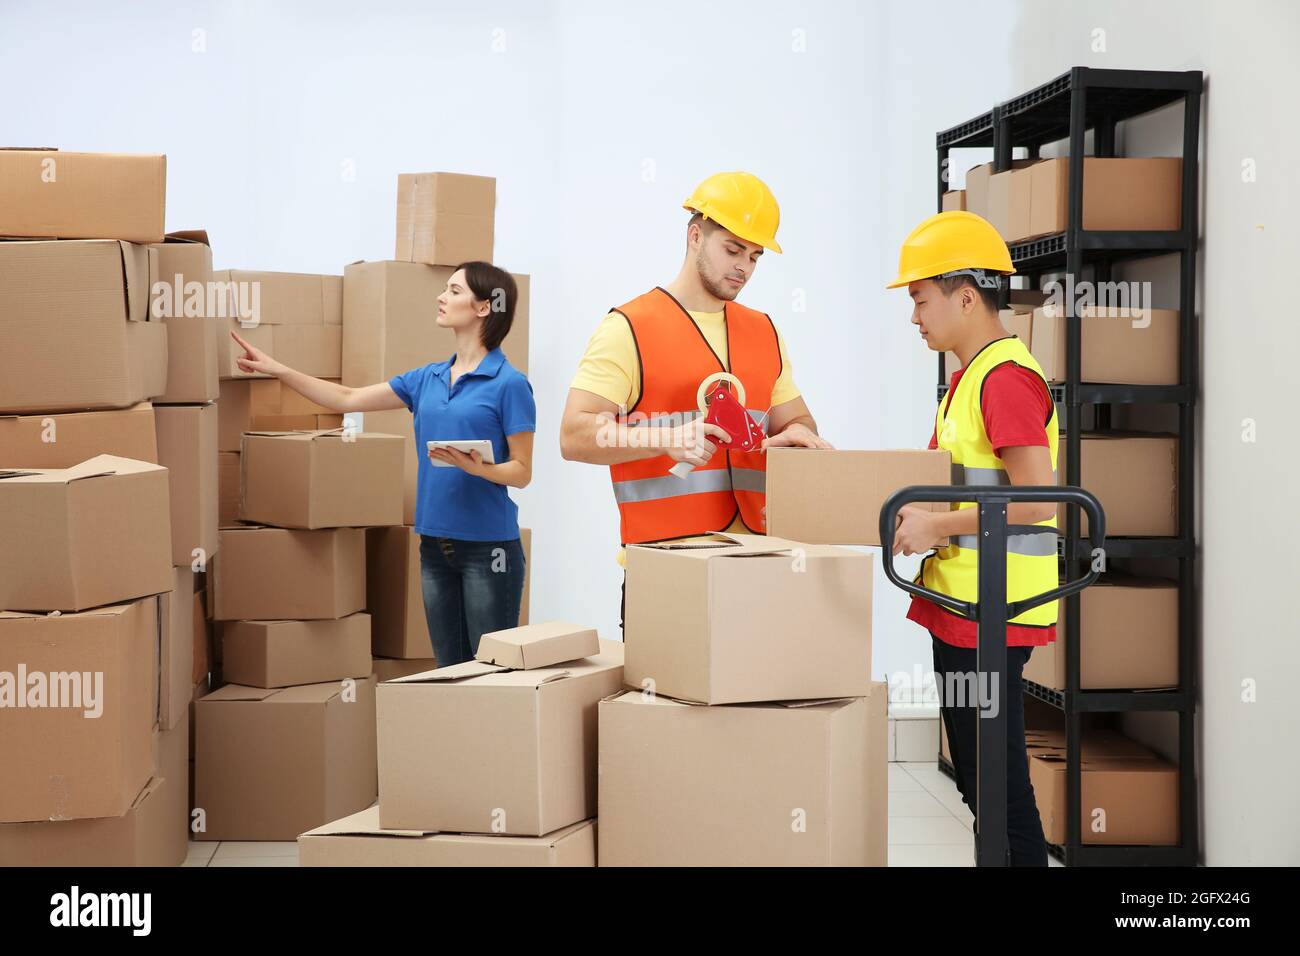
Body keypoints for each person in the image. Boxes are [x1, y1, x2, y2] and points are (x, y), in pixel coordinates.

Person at [559, 171, 832, 629]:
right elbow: (574, 434)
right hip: (666, 569)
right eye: (732, 249)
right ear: (694, 236)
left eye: (755, 256)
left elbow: (797, 419)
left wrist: (799, 435)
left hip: (757, 562)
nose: (743, 267)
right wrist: (667, 438)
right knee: (666, 702)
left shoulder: (764, 330)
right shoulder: (628, 326)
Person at [230, 260, 534, 665]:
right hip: (434, 545)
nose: (442, 297)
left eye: (455, 291)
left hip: (489, 550)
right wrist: (279, 370)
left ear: (483, 308)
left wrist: (475, 467)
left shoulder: (509, 384)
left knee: (493, 675)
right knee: (449, 672)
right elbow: (348, 399)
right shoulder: (427, 378)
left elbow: (523, 472)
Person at [887, 209, 1057, 866]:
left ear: (965, 295)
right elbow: (943, 479)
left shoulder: (1004, 378)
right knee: (981, 783)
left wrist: (937, 525)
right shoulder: (966, 378)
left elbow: (1037, 498)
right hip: (963, 609)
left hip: (995, 611)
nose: (914, 316)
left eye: (920, 299)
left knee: (998, 786)